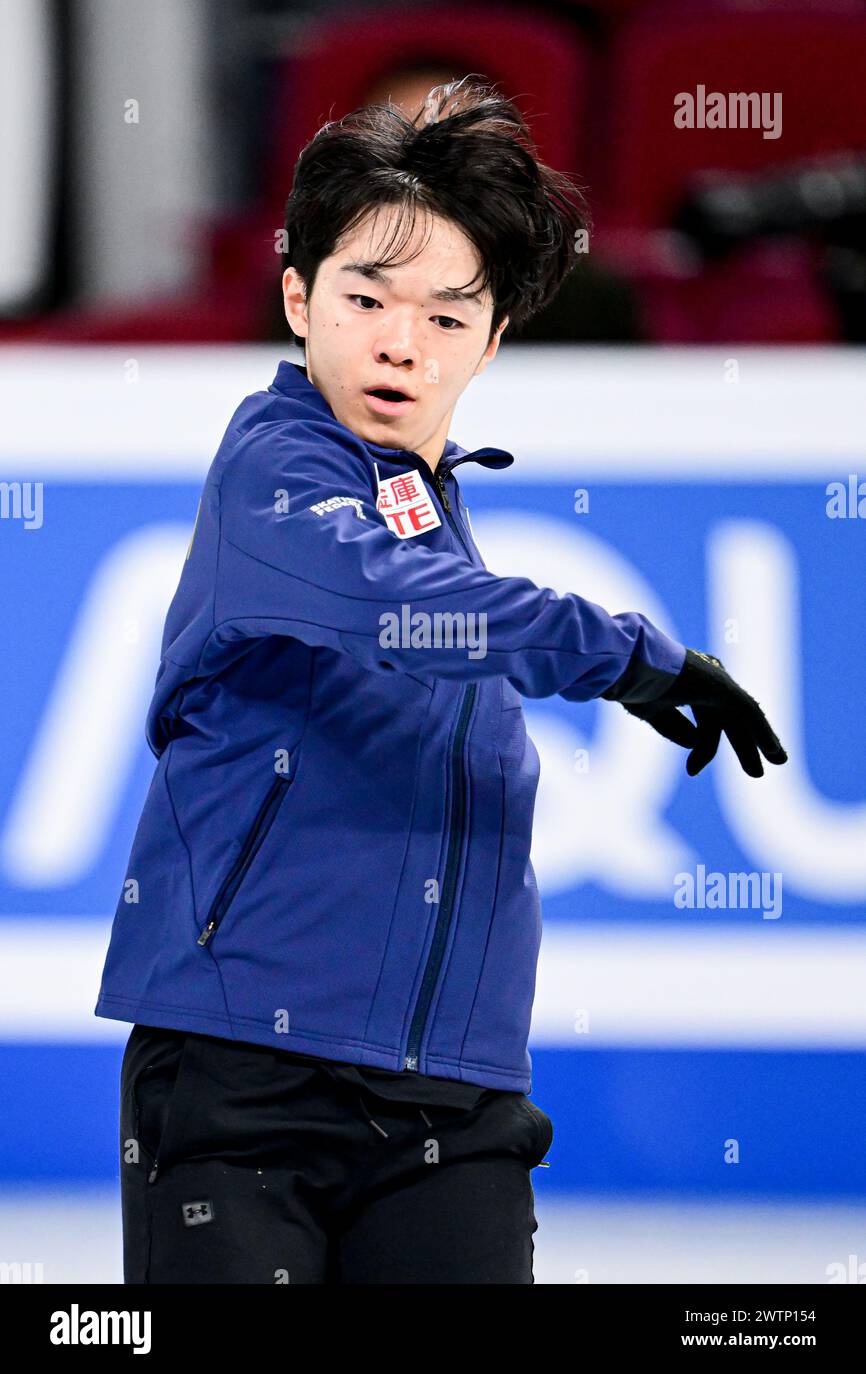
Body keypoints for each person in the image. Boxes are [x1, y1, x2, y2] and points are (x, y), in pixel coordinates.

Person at [96, 76, 788, 1285]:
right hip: (245, 1086)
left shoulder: (427, 507)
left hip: (451, 1108)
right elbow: (407, 615)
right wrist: (624, 651)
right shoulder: (273, 476)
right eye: (364, 297)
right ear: (298, 297)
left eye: (445, 315)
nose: (399, 341)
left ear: (492, 337)